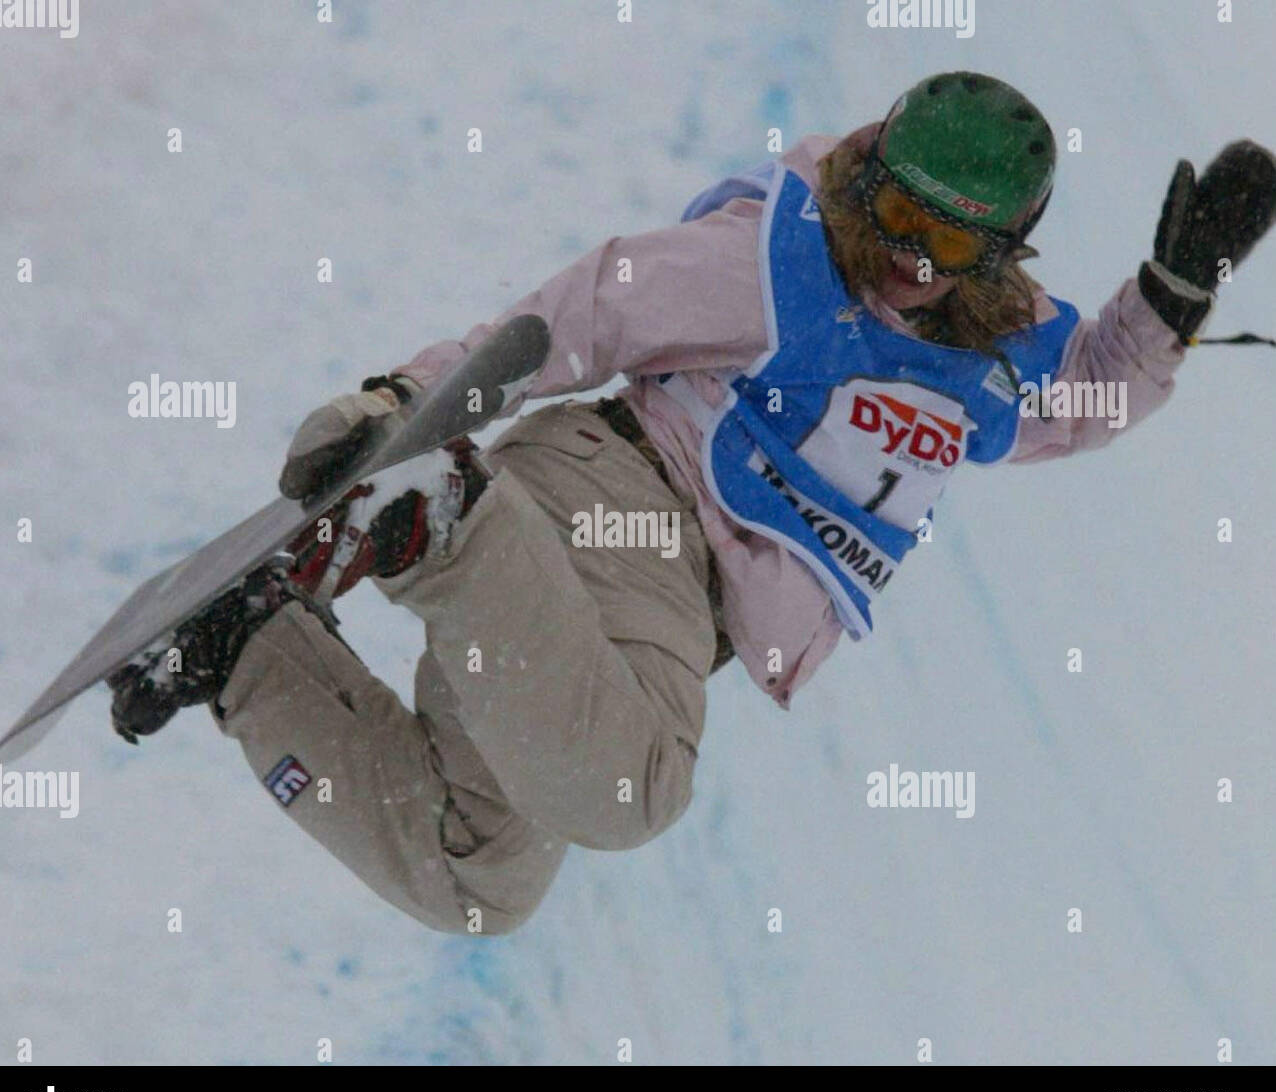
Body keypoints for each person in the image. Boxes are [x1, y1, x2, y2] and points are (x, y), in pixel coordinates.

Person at [106, 71, 1276, 934]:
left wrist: (1171, 294)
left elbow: (1084, 395)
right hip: (614, 510)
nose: (909, 261)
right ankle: (438, 517)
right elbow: (587, 313)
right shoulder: (784, 254)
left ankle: (250, 646)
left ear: (1007, 251)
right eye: (899, 217)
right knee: (633, 790)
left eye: (948, 246)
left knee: (478, 878)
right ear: (869, 177)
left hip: (599, 625)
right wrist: (410, 402)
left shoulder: (992, 349)